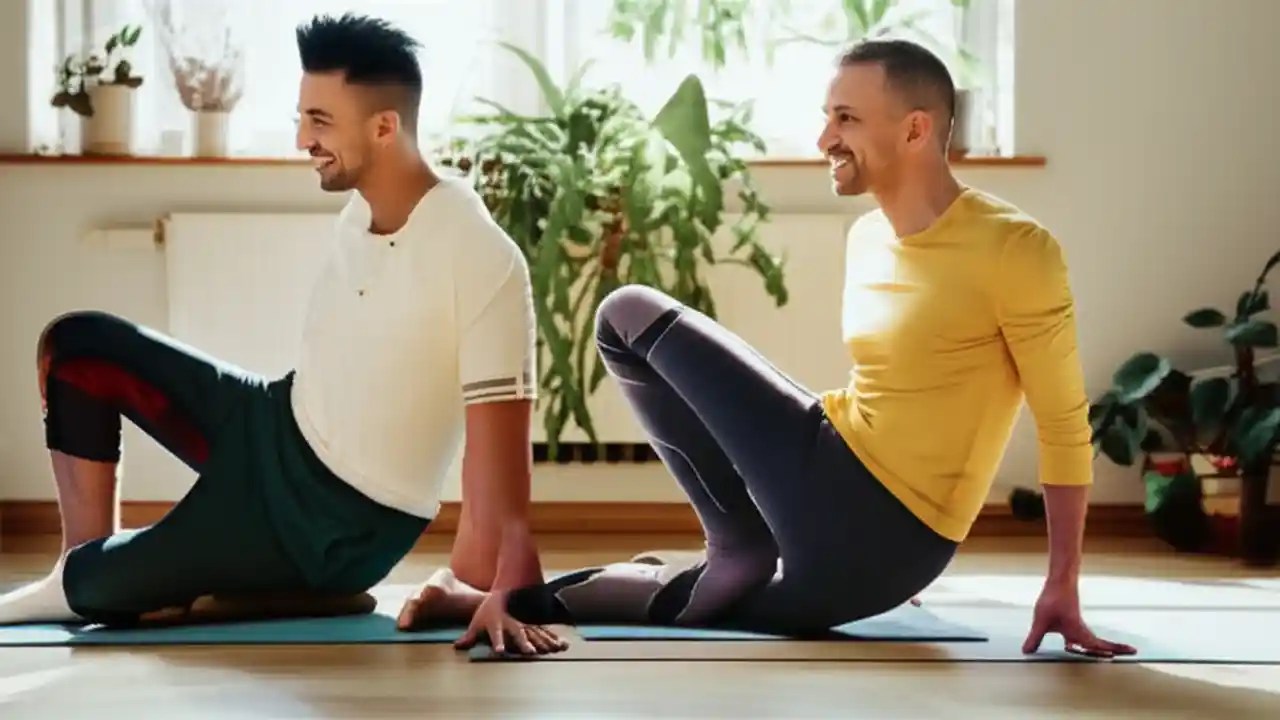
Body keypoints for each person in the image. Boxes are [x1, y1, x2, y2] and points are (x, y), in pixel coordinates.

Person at [403, 38, 1138, 659]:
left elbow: (1065, 423)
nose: (824, 140)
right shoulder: (868, 235)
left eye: (845, 119)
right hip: (862, 536)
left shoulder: (1016, 249)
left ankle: (736, 539)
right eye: (827, 118)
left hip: (871, 526)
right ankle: (472, 599)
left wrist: (1062, 582)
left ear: (916, 130)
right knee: (694, 596)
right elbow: (897, 395)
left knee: (624, 313)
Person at [0, 13, 565, 657]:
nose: (301, 138)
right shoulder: (361, 213)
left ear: (385, 127)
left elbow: (499, 458)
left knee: (96, 585)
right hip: (273, 425)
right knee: (78, 347)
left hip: (329, 523)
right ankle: (85, 570)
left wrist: (496, 582)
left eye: (319, 120)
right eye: (301, 116)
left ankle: (99, 582)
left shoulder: (480, 254)